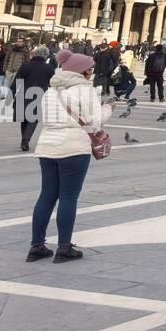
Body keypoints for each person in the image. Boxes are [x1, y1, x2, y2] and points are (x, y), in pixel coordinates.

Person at [28, 50, 115, 262]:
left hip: (47, 147)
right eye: (90, 69)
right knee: (68, 196)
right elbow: (94, 123)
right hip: (74, 148)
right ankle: (64, 247)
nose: (91, 72)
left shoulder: (51, 90)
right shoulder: (85, 90)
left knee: (47, 195)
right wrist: (108, 108)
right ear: (82, 71)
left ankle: (36, 246)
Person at [14, 45, 55, 152]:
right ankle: (25, 140)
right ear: (45, 56)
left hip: (23, 94)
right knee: (33, 119)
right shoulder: (49, 68)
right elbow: (54, 83)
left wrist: (11, 92)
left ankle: (24, 139)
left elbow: (17, 81)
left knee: (24, 119)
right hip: (39, 96)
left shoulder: (25, 65)